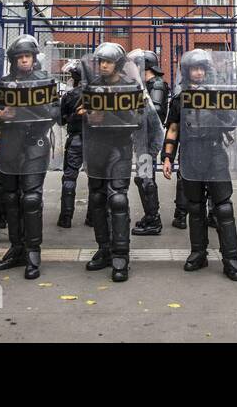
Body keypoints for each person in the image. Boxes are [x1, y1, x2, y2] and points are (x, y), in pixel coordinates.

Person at [160, 49, 237, 281]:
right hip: (190, 153)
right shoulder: (179, 98)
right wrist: (167, 157)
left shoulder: (218, 95)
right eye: (193, 69)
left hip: (214, 151)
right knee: (195, 208)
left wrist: (216, 106)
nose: (197, 72)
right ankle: (198, 253)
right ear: (187, 72)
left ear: (207, 71)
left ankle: (232, 260)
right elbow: (173, 128)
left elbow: (232, 123)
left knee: (223, 207)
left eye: (201, 68)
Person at [0, 35, 59, 279]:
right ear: (13, 60)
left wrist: (38, 108)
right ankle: (17, 248)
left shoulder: (45, 81)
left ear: (34, 58)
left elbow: (57, 112)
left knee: (30, 198)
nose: (24, 60)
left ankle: (32, 252)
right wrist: (0, 114)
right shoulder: (4, 82)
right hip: (10, 144)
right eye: (20, 57)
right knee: (10, 198)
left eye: (27, 56)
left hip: (35, 143)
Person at [81, 42, 152, 282]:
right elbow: (72, 116)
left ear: (118, 64)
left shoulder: (131, 86)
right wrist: (86, 114)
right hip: (96, 147)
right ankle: (104, 249)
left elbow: (140, 117)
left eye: (108, 62)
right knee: (97, 198)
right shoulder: (92, 87)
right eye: (101, 61)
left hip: (119, 147)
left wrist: (109, 114)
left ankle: (121, 255)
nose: (103, 65)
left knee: (118, 199)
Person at [130, 49, 168, 236]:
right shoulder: (146, 84)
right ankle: (150, 215)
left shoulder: (157, 84)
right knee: (142, 178)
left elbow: (157, 111)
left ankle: (154, 219)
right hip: (142, 137)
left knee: (146, 179)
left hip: (149, 139)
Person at [57, 60, 86, 228]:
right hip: (94, 141)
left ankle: (66, 217)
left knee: (69, 177)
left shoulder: (69, 95)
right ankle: (92, 217)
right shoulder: (97, 93)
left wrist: (70, 116)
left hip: (75, 138)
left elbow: (60, 120)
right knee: (96, 180)